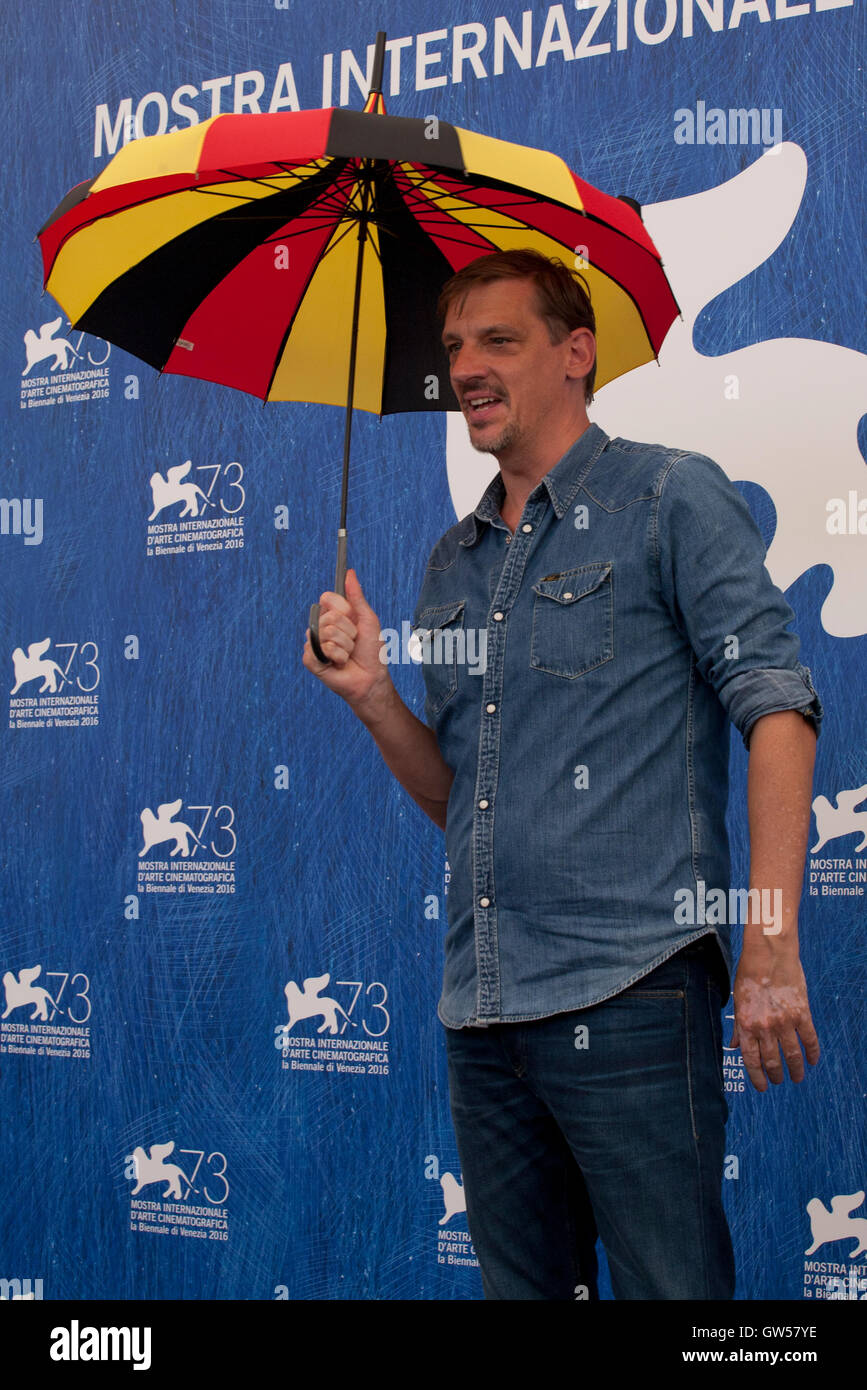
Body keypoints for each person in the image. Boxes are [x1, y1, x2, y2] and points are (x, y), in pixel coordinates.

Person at [302, 248, 823, 1300]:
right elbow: (460, 798)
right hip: (483, 1011)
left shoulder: (671, 495)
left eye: (499, 339)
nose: (468, 368)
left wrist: (768, 944)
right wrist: (370, 696)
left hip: (633, 992)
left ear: (576, 353)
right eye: (454, 348)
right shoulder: (450, 563)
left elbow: (778, 707)